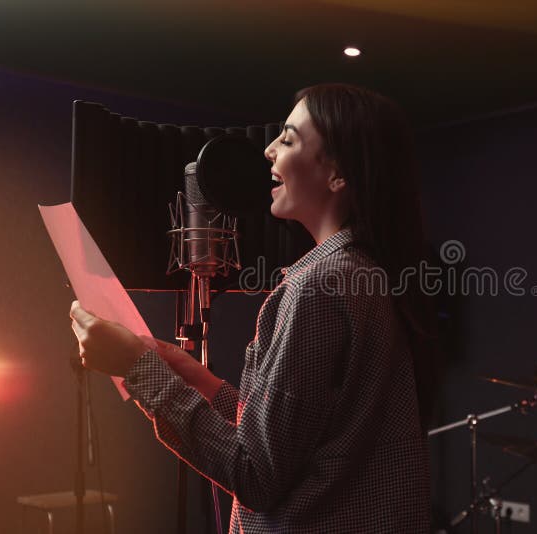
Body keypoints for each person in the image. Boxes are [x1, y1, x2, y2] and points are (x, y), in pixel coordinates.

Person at [70, 83, 438, 533]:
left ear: (338, 174)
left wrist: (138, 368)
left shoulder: (316, 287)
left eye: (287, 139)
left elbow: (256, 474)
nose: (268, 151)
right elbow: (296, 440)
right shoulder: (369, 274)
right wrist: (197, 378)